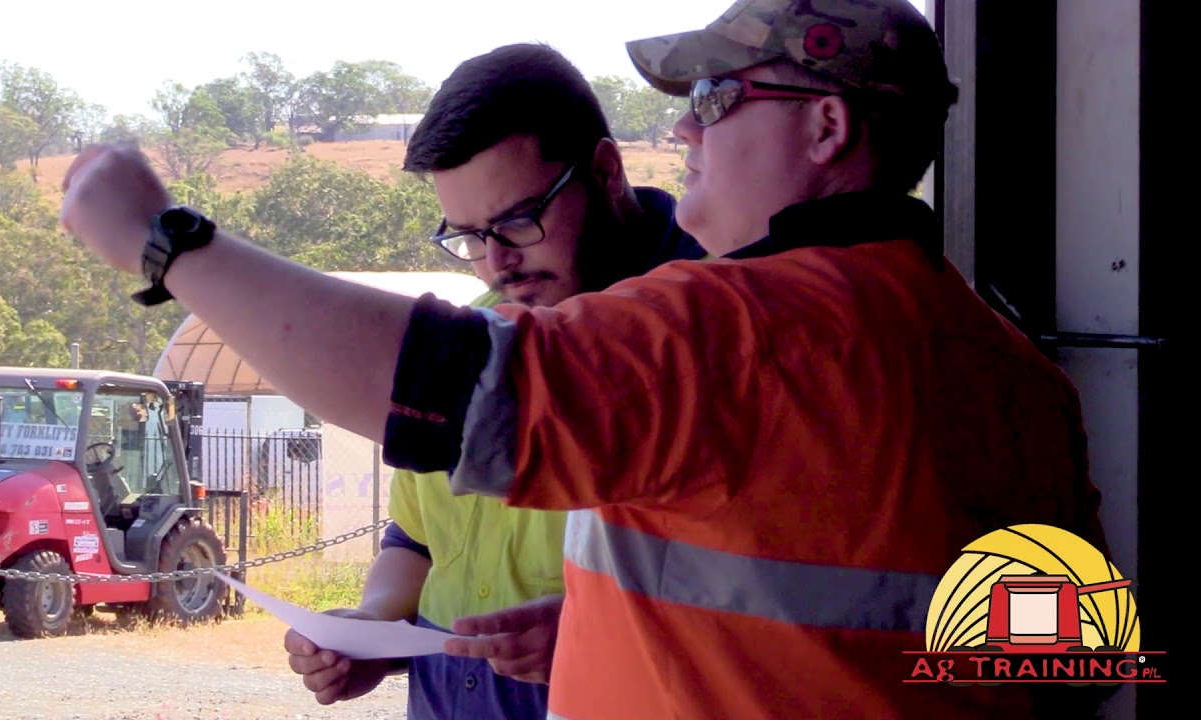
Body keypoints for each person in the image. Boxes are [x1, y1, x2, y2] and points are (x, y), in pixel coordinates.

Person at [57, 1, 1110, 717]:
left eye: (715, 101)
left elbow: (434, 390)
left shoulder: (733, 328)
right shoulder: (1020, 377)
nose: (684, 133)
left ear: (826, 126)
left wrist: (164, 243)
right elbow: (1073, 665)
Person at [334, 43, 709, 719]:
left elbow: (776, 585)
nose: (496, 262)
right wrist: (373, 630)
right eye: (469, 237)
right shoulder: (469, 341)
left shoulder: (719, 327)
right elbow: (416, 541)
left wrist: (604, 627)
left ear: (605, 172)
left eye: (515, 222)